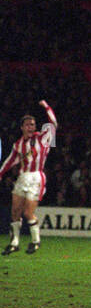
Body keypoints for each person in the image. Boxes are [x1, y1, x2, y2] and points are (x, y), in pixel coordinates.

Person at [1, 100, 57, 256]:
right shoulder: (18, 144)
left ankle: (35, 241)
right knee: (15, 212)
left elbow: (53, 124)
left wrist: (46, 107)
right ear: (22, 128)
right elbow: (10, 161)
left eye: (33, 125)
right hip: (22, 177)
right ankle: (14, 243)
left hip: (36, 177)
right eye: (28, 125)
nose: (31, 127)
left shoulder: (42, 138)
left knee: (28, 213)